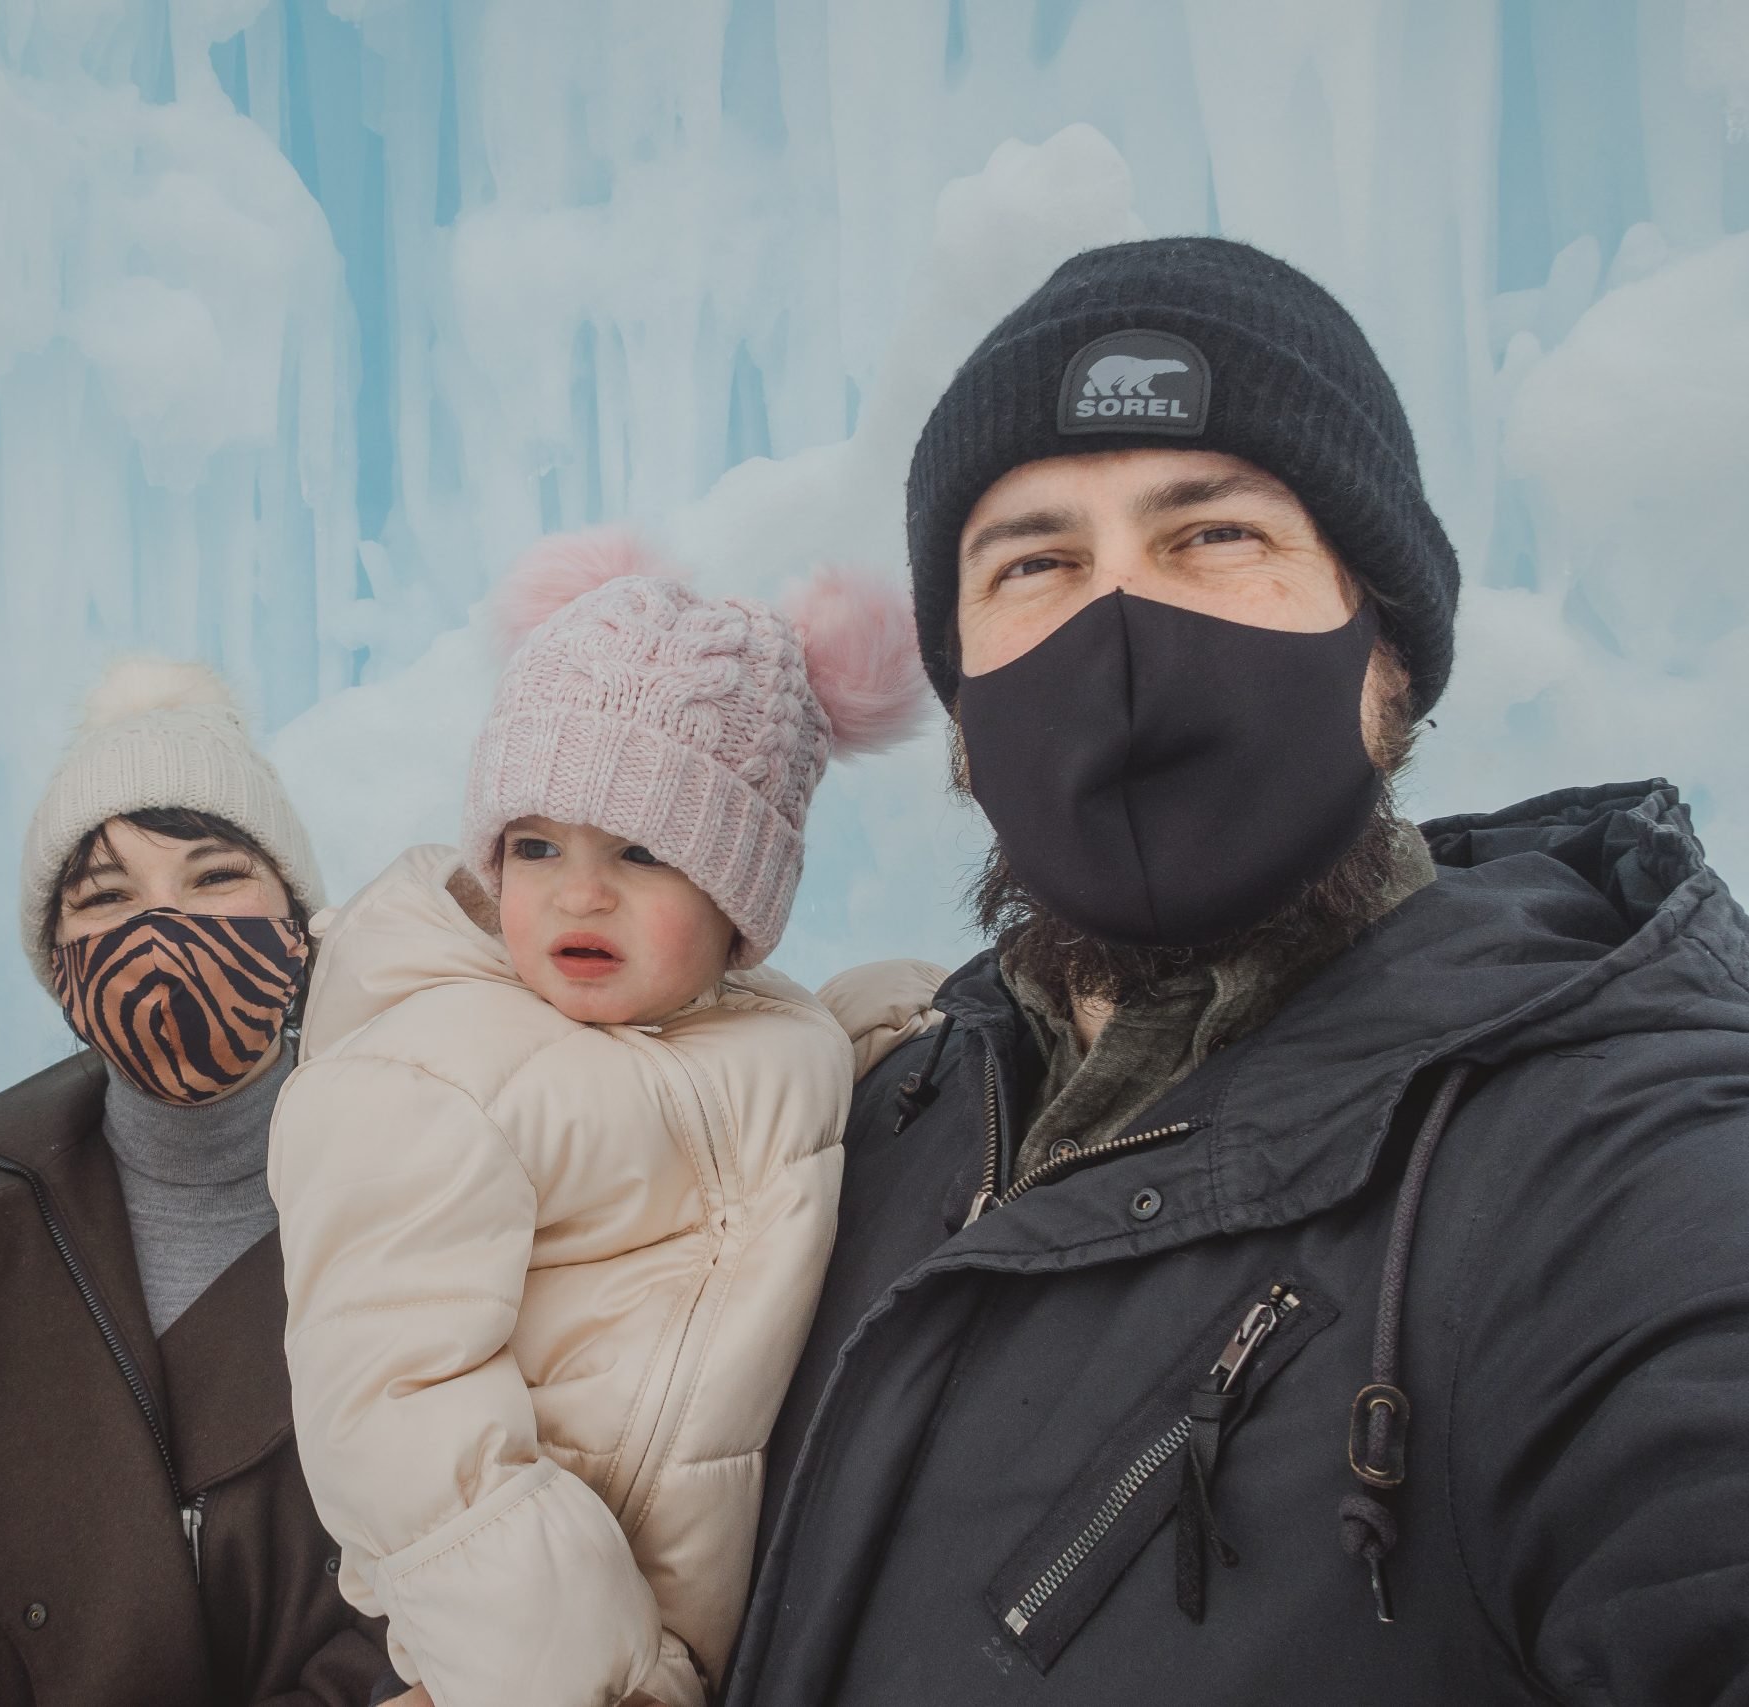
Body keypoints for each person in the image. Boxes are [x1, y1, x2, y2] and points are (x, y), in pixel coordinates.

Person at [726, 236, 1749, 1704]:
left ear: (1387, 647)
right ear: (957, 712)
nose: (1120, 627)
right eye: (1037, 561)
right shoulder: (879, 1115)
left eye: (1214, 535)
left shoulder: (1607, 1153)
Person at [267, 541, 947, 1707]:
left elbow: (767, 1088)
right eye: (537, 847)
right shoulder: (427, 1080)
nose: (580, 893)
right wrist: (582, 1678)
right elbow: (400, 1423)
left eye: (643, 852)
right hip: (537, 1659)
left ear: (741, 902)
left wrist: (898, 1027)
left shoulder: (753, 1028)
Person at [0, 658, 388, 1707]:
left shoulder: (427, 1181)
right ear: (58, 963)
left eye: (216, 878)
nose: (162, 933)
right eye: (107, 897)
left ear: (300, 927)